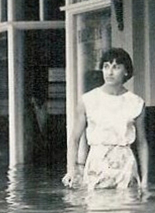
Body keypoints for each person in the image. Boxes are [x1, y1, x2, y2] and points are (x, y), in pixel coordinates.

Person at [63, 47, 149, 189]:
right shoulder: (88, 100)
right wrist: (71, 171)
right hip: (97, 163)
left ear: (126, 71)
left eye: (116, 67)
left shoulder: (136, 103)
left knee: (127, 202)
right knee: (97, 201)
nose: (110, 72)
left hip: (125, 164)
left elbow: (142, 143)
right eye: (106, 66)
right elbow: (74, 139)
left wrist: (145, 179)